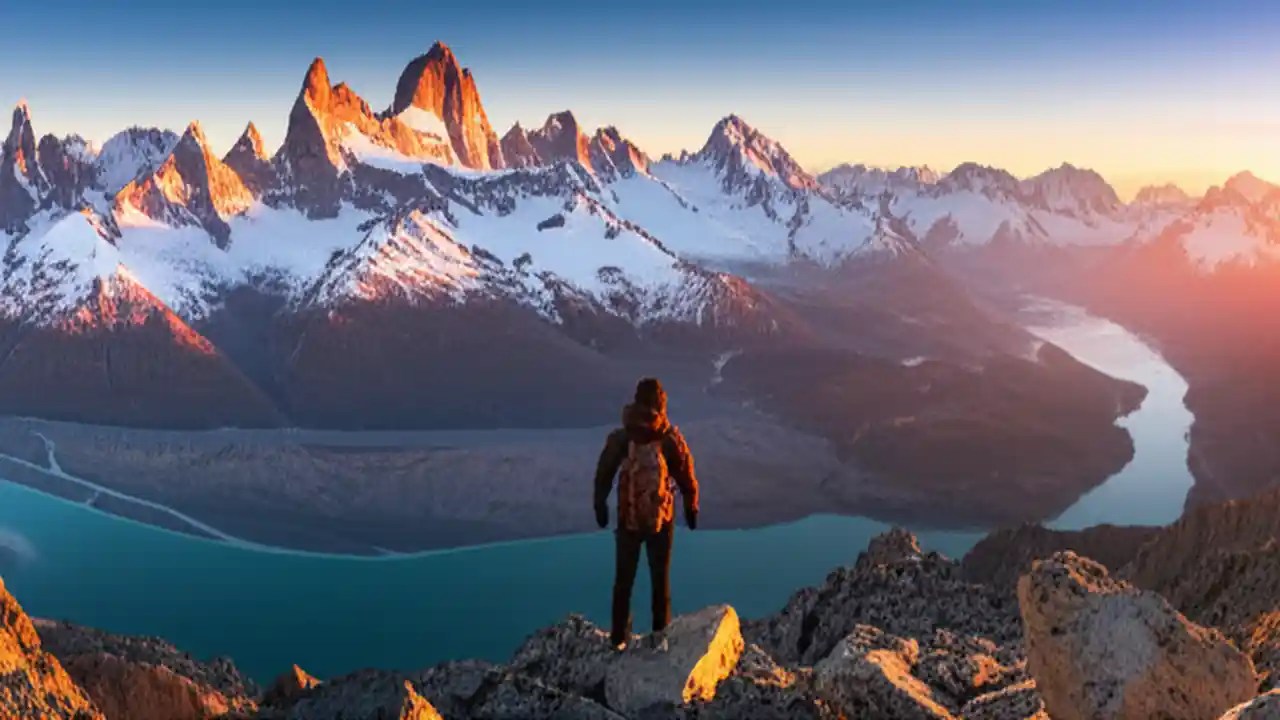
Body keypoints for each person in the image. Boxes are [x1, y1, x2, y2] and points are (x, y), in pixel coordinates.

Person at [594, 377, 699, 650]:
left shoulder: (622, 437)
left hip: (628, 521)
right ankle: (660, 641)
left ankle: (618, 639)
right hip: (660, 521)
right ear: (661, 404)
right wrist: (691, 507)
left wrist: (600, 505)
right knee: (660, 583)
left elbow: (604, 473)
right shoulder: (668, 438)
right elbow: (686, 476)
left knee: (623, 583)